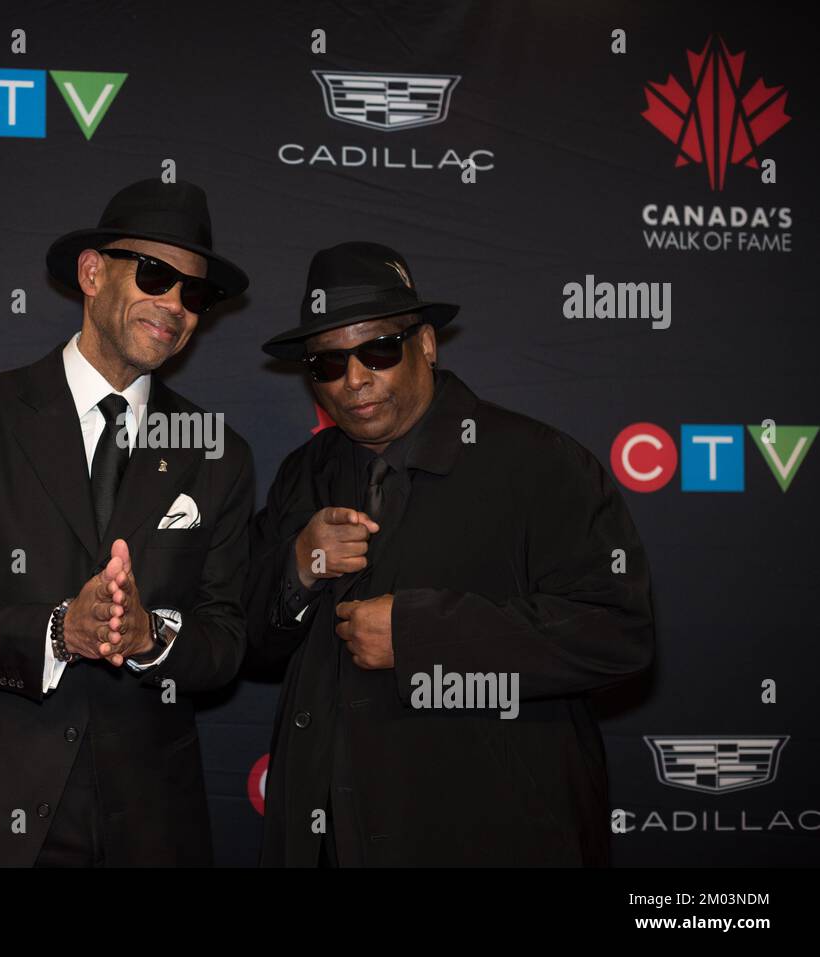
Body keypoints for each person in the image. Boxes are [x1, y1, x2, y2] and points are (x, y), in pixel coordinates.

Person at [246, 241, 655, 866]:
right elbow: (245, 643)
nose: (353, 380)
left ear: (427, 344)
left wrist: (420, 636)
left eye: (378, 350)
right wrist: (298, 568)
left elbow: (617, 633)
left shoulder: (537, 463)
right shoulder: (305, 473)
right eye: (326, 363)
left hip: (486, 835)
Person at [0, 178, 254, 866]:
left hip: (152, 823)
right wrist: (58, 631)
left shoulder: (220, 451)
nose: (175, 305)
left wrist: (152, 636)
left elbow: (228, 639)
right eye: (156, 274)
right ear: (92, 273)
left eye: (195, 293)